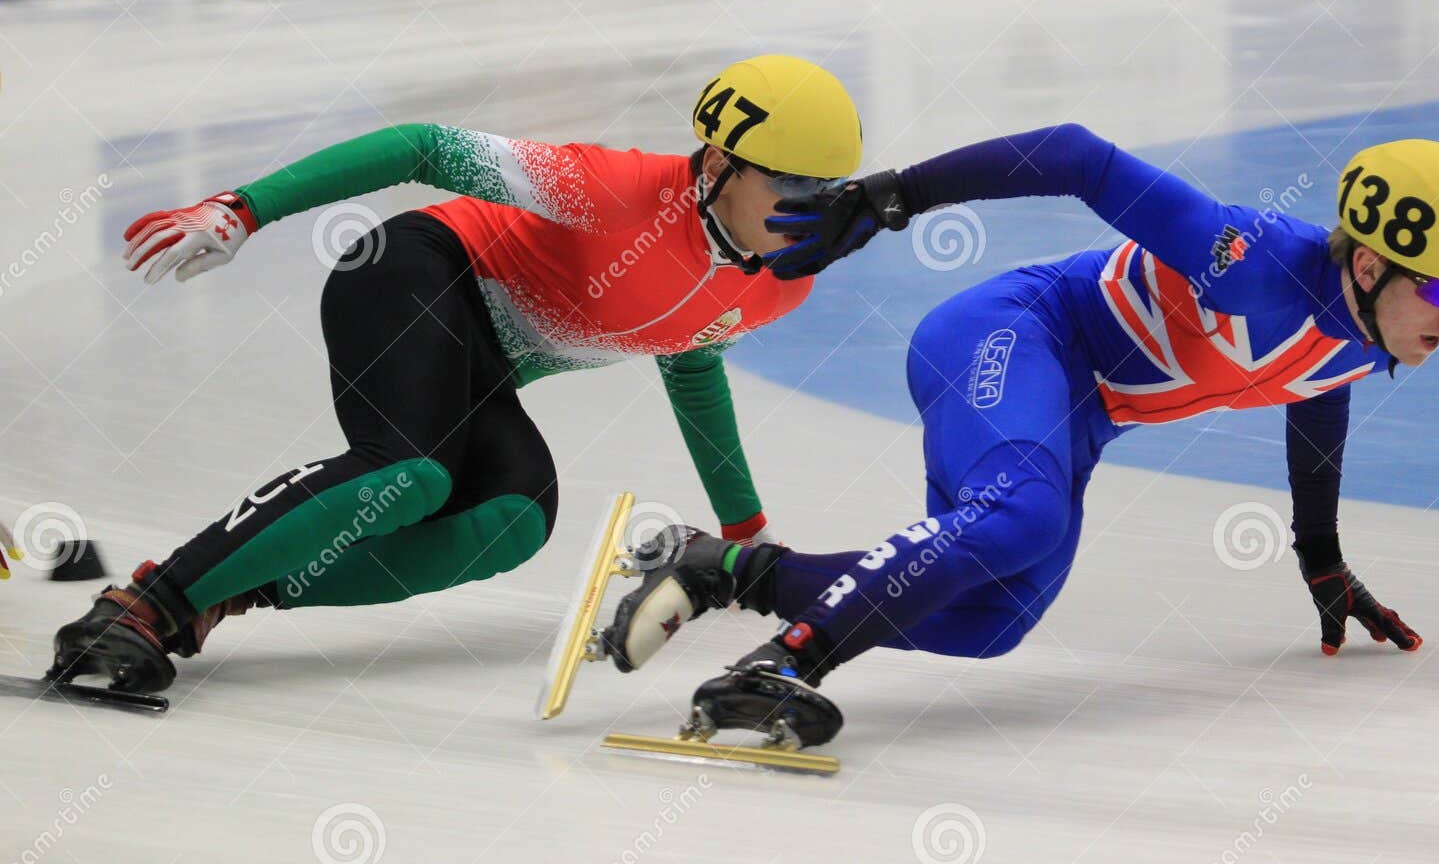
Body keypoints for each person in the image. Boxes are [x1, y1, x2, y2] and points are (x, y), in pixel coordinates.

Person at [600, 126, 1439, 748]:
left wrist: (1319, 555)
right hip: (1015, 333)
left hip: (1078, 408)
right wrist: (886, 198)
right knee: (1023, 520)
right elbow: (1080, 157)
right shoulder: (1253, 261)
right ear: (1367, 261)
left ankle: (717, 569)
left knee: (990, 618)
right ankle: (780, 664)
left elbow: (1319, 391)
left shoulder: (1365, 333)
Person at [50, 55, 862, 694]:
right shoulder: (615, 190)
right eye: (789, 182)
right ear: (718, 163)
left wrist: (747, 532)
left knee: (514, 518)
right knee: (410, 473)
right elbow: (424, 148)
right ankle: (149, 600)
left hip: (481, 360)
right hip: (416, 266)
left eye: (823, 189)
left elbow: (690, 362)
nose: (808, 206)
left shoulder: (783, 282)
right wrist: (244, 208)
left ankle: (236, 586)